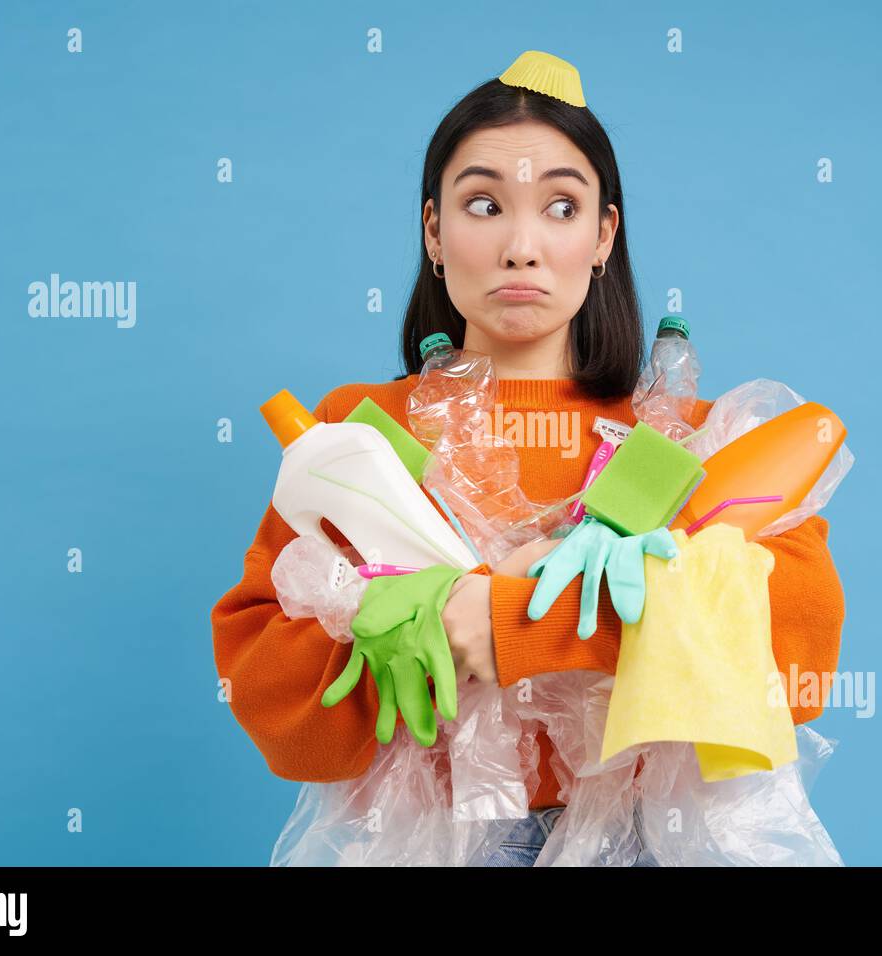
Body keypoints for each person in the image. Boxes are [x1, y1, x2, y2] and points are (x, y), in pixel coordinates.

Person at [211, 52, 846, 867]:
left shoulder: (689, 442)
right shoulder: (360, 436)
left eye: (559, 206)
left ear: (603, 237)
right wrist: (412, 632)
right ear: (434, 233)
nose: (521, 245)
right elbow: (271, 698)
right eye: (483, 205)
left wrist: (521, 625)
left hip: (650, 844)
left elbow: (794, 656)